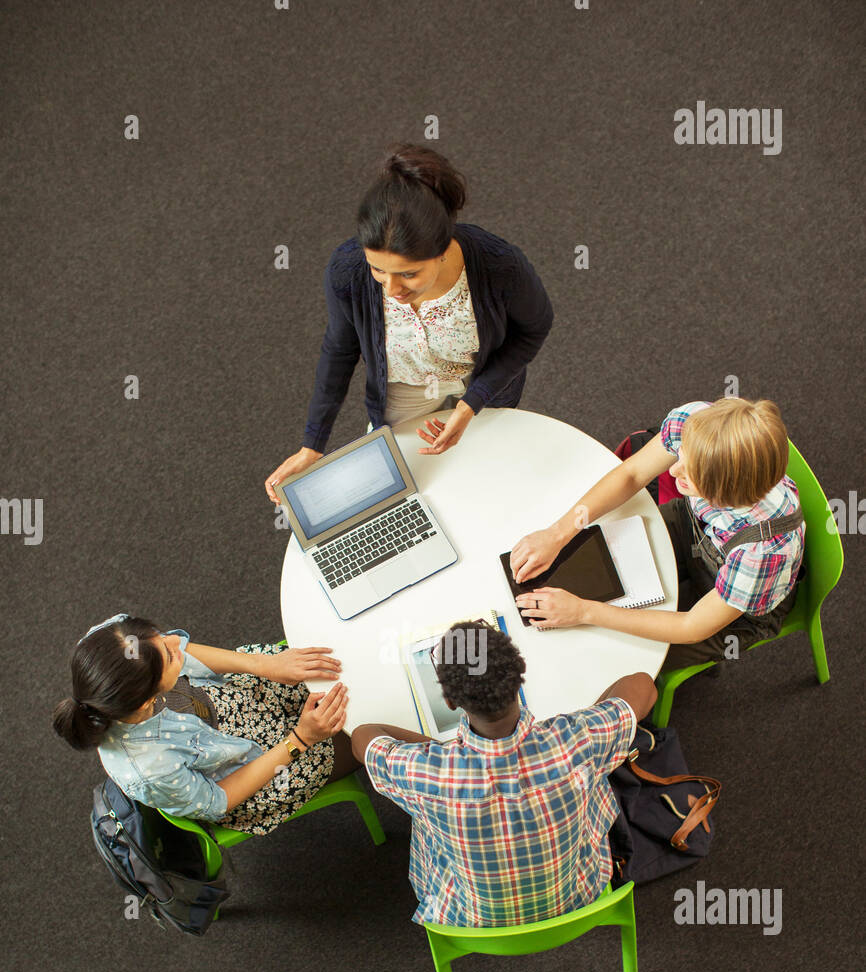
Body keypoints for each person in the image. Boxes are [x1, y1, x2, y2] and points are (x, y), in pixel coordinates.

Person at [265, 142, 554, 501]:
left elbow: (534, 328)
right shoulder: (346, 271)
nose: (391, 288)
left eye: (409, 274)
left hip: (480, 379)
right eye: (378, 270)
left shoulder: (499, 265)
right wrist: (313, 443)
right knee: (412, 490)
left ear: (443, 248)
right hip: (405, 390)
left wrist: (472, 403)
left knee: (485, 476)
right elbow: (339, 351)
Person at [351, 620, 656, 927]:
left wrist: (437, 749)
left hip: (469, 918)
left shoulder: (425, 772)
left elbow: (364, 736)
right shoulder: (578, 741)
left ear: (450, 701)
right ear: (518, 681)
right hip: (578, 895)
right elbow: (643, 684)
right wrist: (587, 720)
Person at [509, 397, 805, 670]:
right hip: (698, 527)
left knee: (616, 652)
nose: (673, 471)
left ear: (725, 491)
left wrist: (584, 612)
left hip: (736, 610)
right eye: (681, 456)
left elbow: (691, 626)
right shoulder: (698, 422)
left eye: (691, 474)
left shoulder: (764, 553)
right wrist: (557, 533)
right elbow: (632, 474)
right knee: (592, 557)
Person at [52, 614, 358, 834]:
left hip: (224, 699)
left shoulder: (111, 642)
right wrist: (300, 739)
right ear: (147, 702)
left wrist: (262, 665)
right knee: (359, 731)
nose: (176, 641)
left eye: (161, 638)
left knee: (336, 670)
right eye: (170, 656)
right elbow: (219, 799)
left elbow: (181, 651)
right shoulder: (150, 770)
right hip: (246, 773)